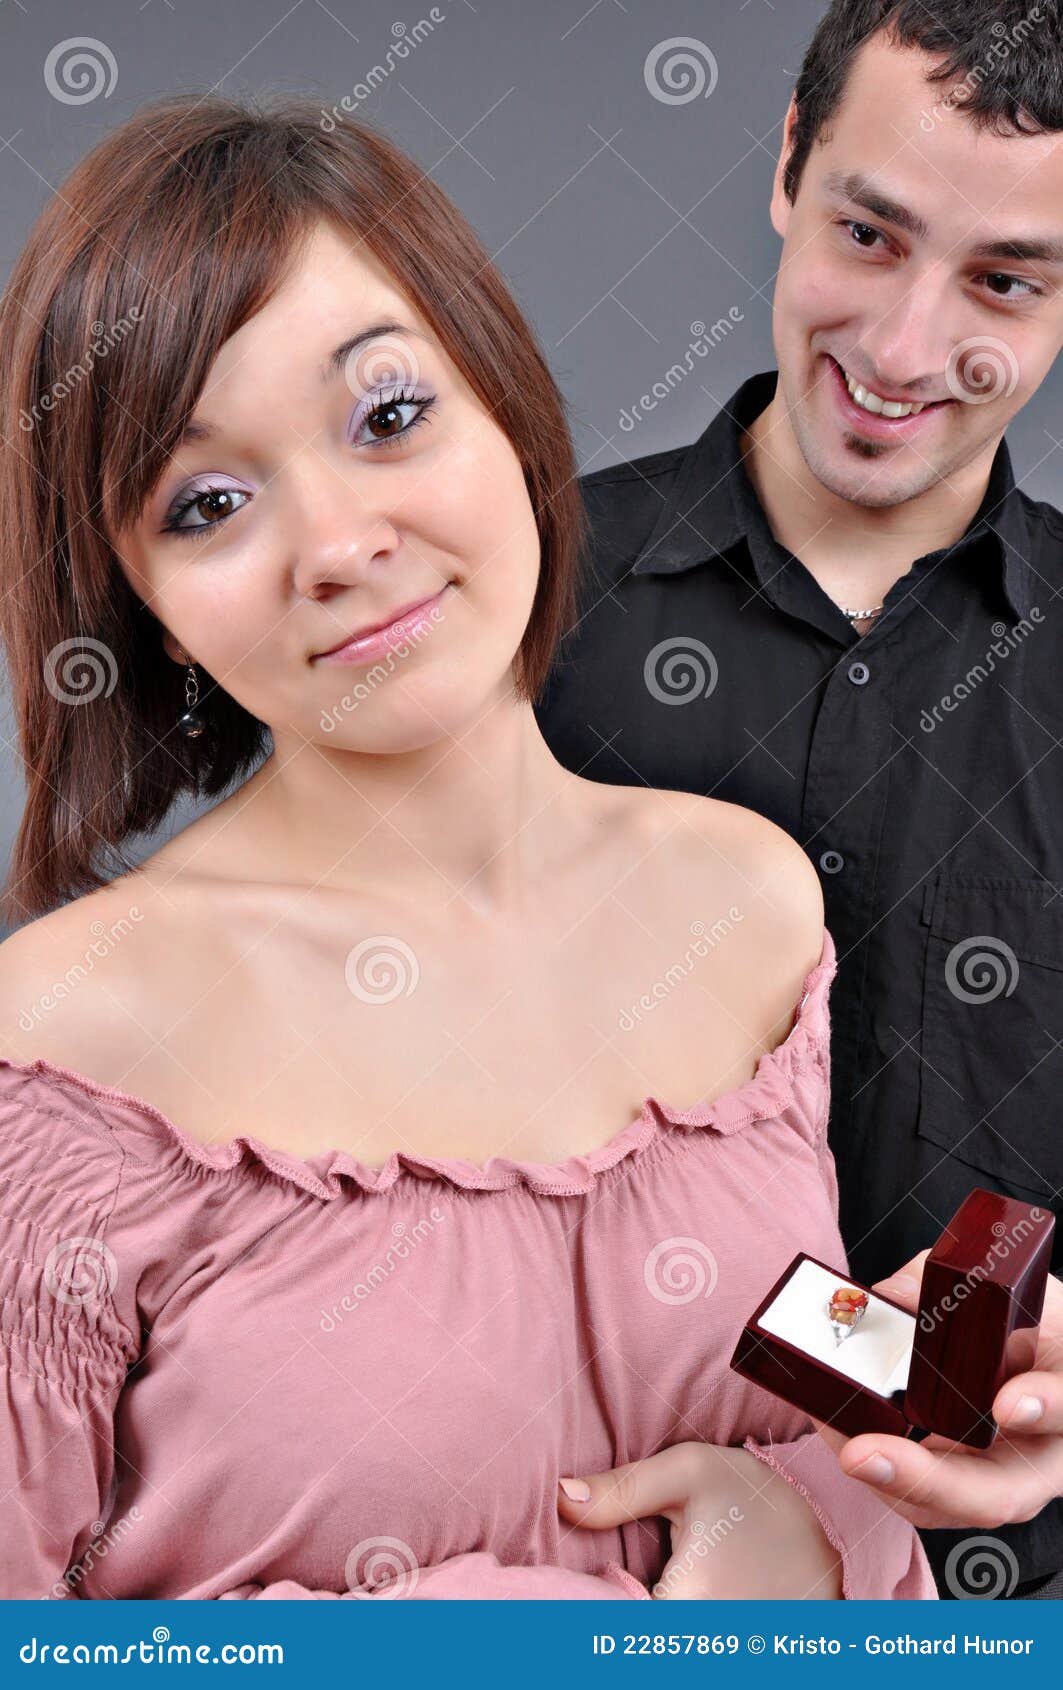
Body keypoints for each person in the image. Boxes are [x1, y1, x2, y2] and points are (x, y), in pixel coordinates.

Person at [0, 93, 935, 1600]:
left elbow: (737, 1361)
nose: (339, 545)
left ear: (502, 399)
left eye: (387, 417)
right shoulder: (64, 1043)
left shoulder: (744, 897)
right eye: (210, 503)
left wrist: (931, 1383)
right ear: (146, 608)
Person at [534, 0, 1063, 1599]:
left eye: (1006, 281)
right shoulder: (514, 607)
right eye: (867, 233)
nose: (900, 352)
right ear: (785, 162)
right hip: (577, 1581)